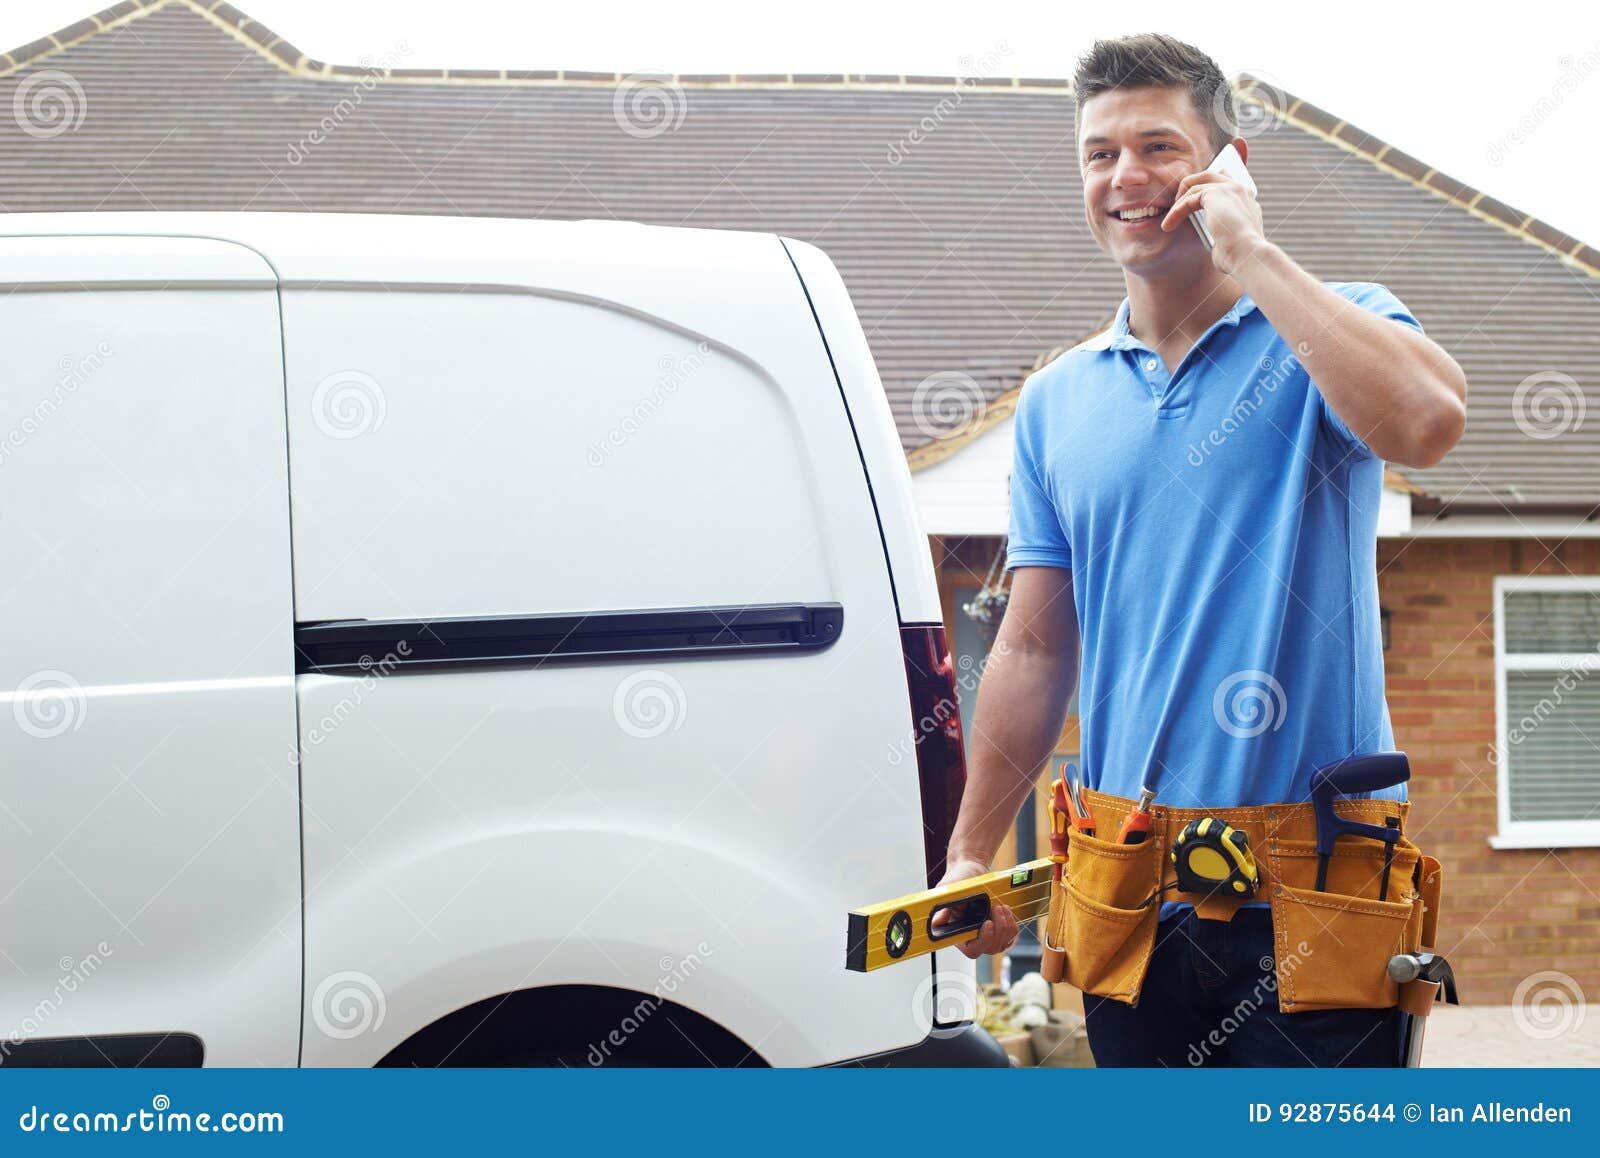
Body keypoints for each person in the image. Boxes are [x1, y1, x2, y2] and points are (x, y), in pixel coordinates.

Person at [937, 33, 1466, 1067]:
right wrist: (967, 853)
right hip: (1124, 896)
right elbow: (1038, 652)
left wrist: (1253, 256)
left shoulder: (1330, 326)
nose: (1125, 177)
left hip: (1312, 900)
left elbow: (1426, 423)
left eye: (1157, 146)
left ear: (1227, 168)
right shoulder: (1057, 403)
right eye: (1098, 154)